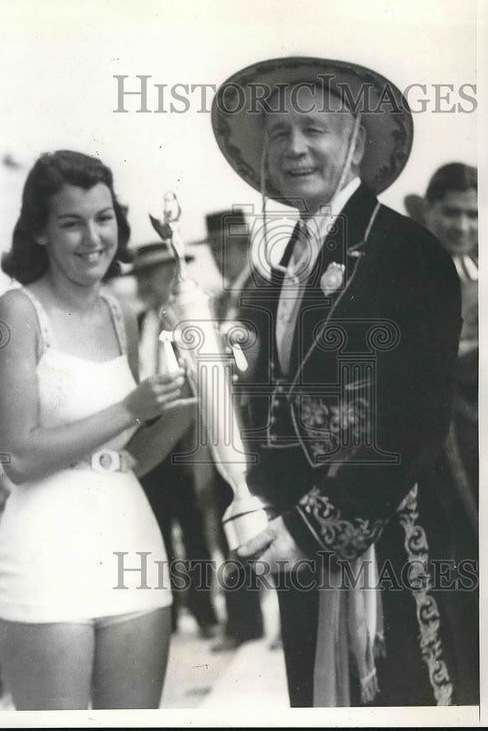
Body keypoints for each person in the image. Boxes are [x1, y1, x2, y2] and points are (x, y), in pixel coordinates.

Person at [210, 58, 463, 706]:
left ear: (356, 143)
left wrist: (308, 529)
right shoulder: (284, 263)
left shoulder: (407, 251)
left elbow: (415, 422)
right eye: (279, 133)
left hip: (397, 545)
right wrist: (265, 510)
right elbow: (272, 405)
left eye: (313, 129)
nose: (294, 148)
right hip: (303, 556)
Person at [0, 150, 195, 710]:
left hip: (130, 543)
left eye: (103, 218)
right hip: (45, 556)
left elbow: (133, 458)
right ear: (40, 231)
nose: (93, 238)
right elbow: (19, 458)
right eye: (71, 223)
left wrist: (193, 397)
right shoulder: (15, 312)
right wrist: (131, 407)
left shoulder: (118, 315)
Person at [405, 163, 479, 703]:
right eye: (452, 212)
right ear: (429, 210)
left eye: (474, 214)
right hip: (435, 458)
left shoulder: (478, 275)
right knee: (454, 575)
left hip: (479, 447)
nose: (463, 225)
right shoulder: (408, 274)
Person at [131, 242, 220, 639]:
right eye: (150, 277)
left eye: (166, 274)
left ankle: (204, 612)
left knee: (194, 527)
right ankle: (165, 616)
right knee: (155, 530)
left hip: (184, 437)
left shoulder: (188, 321)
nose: (157, 284)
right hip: (146, 438)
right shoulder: (138, 324)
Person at [199, 210, 266, 652]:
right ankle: (244, 622)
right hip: (227, 427)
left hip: (258, 426)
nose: (221, 257)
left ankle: (278, 624)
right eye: (214, 250)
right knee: (231, 519)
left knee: (268, 519)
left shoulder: (264, 290)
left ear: (246, 245)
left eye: (228, 248)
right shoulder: (222, 299)